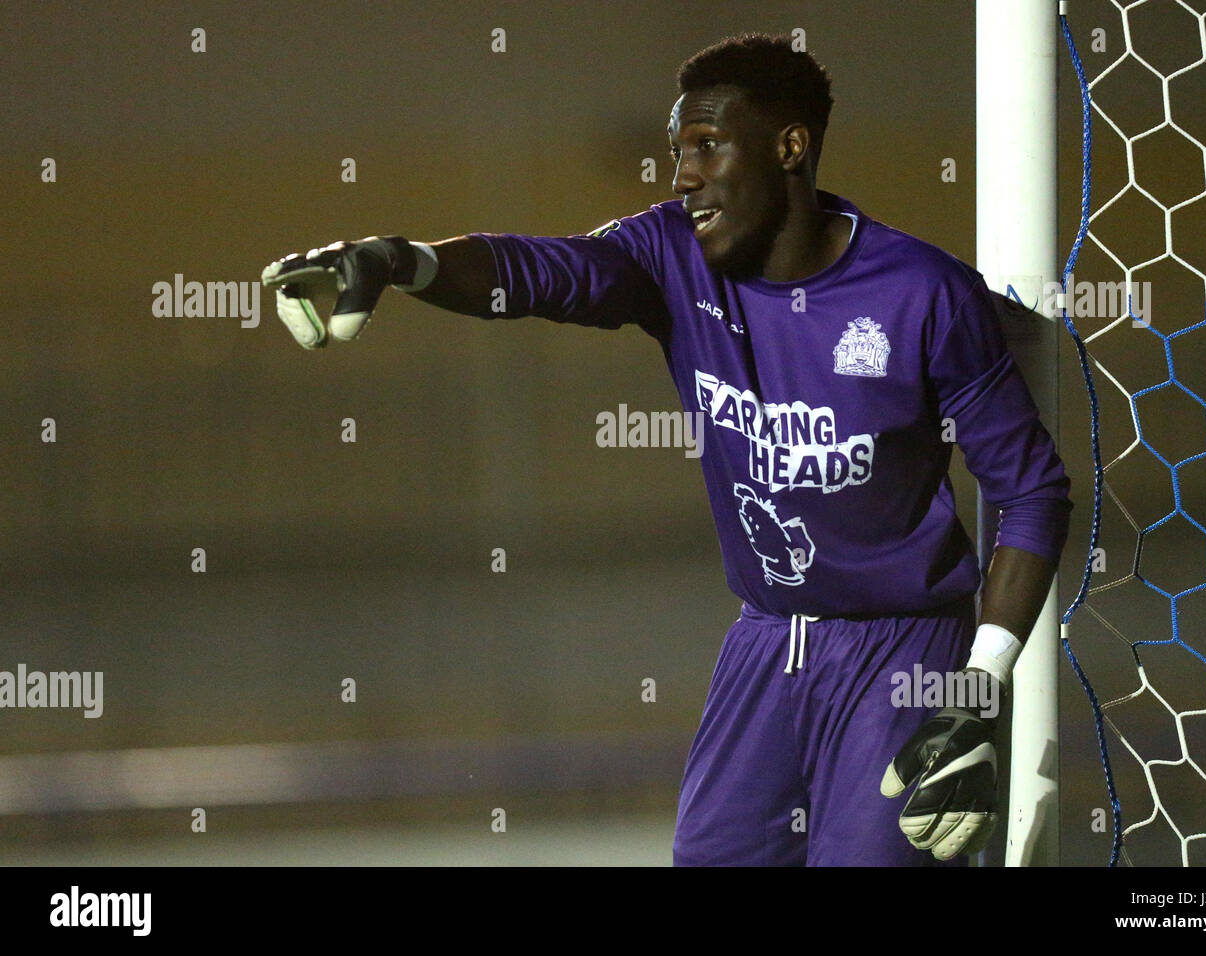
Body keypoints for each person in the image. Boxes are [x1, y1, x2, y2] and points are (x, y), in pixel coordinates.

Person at [262, 33, 1071, 866]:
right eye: (676, 152)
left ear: (790, 147)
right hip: (765, 645)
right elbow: (543, 272)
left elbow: (1033, 494)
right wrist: (400, 261)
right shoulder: (672, 255)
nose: (682, 177)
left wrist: (976, 691)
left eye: (707, 149)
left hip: (903, 653)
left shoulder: (919, 293)